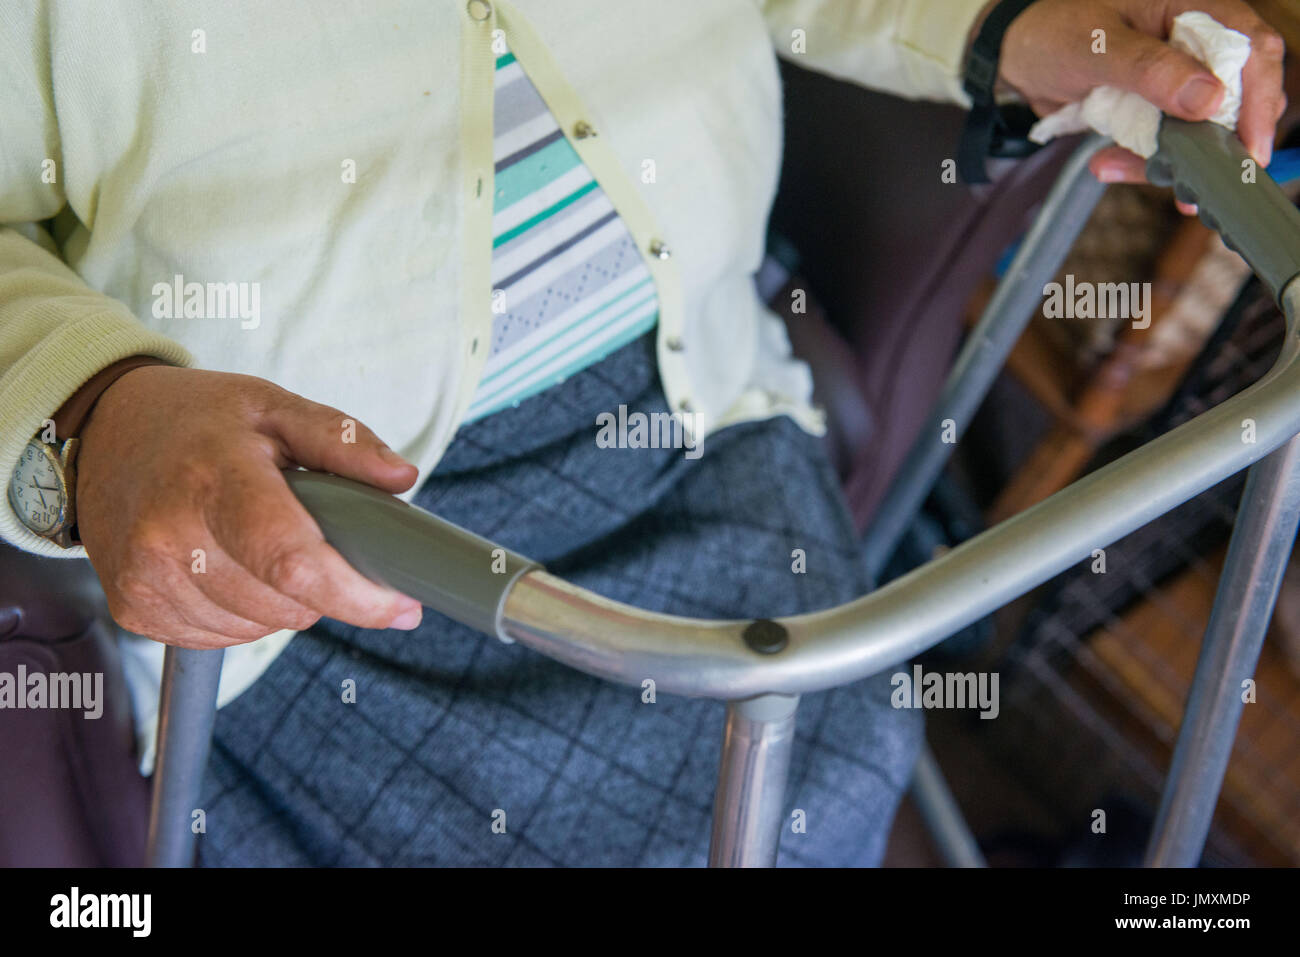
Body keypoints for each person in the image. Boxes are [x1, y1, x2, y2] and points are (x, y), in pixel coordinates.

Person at [0, 0, 1285, 866]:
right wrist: (93, 405)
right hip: (306, 511)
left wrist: (1008, 26)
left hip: (690, 403)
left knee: (824, 775)